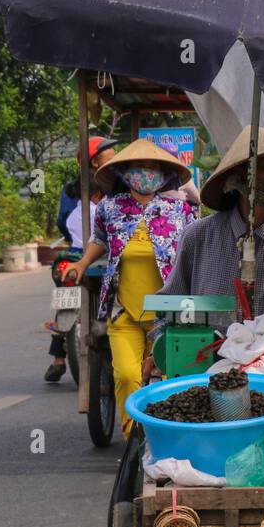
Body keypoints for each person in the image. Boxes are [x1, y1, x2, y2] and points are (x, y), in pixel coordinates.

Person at [143, 127, 264, 373]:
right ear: (239, 176)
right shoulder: (197, 237)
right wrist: (159, 346)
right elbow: (169, 307)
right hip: (206, 370)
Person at [66, 138, 195, 435]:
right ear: (125, 172)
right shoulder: (110, 208)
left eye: (152, 167)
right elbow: (98, 240)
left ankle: (162, 437)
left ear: (163, 174)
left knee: (166, 382)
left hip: (167, 315)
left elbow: (195, 247)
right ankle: (132, 442)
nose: (145, 172)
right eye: (139, 167)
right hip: (124, 313)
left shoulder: (180, 210)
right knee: (125, 376)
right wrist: (81, 265)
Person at [44, 135, 116, 383]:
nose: (115, 155)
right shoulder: (115, 187)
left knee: (65, 297)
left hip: (74, 253)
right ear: (95, 161)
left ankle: (57, 358)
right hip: (101, 255)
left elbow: (61, 222)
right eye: (110, 152)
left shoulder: (69, 190)